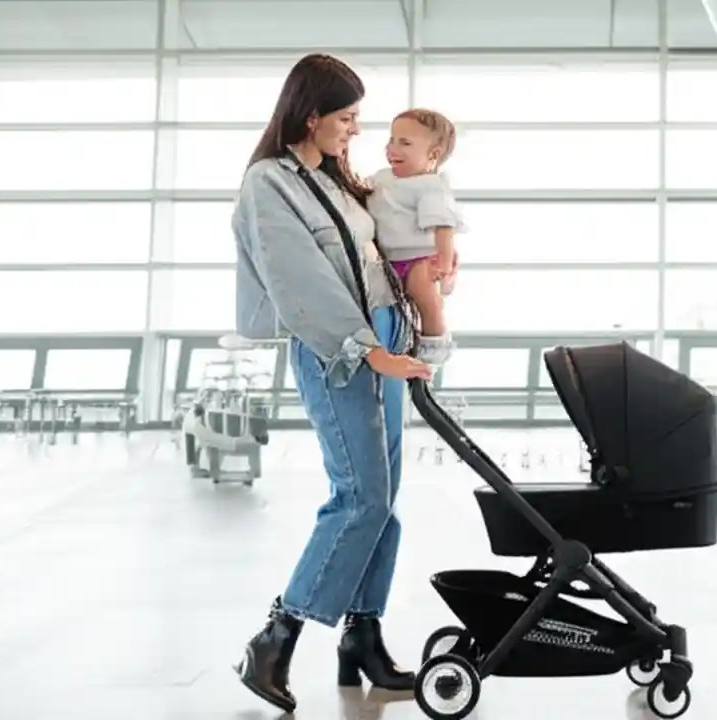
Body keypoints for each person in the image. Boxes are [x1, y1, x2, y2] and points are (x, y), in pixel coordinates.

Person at [230, 53, 432, 715]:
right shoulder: (270, 183)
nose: (355, 129)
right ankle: (275, 637)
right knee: (361, 497)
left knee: (386, 499)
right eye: (346, 117)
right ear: (310, 114)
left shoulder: (339, 181)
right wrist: (366, 349)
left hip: (386, 340)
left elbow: (378, 253)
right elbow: (298, 282)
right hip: (341, 350)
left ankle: (362, 638)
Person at [366, 108, 466, 366]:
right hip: (386, 261)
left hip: (419, 258)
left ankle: (435, 342)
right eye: (391, 140)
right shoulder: (383, 177)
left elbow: (443, 225)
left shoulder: (430, 185)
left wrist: (443, 262)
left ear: (433, 154)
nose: (393, 148)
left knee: (426, 297)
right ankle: (401, 340)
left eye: (405, 143)